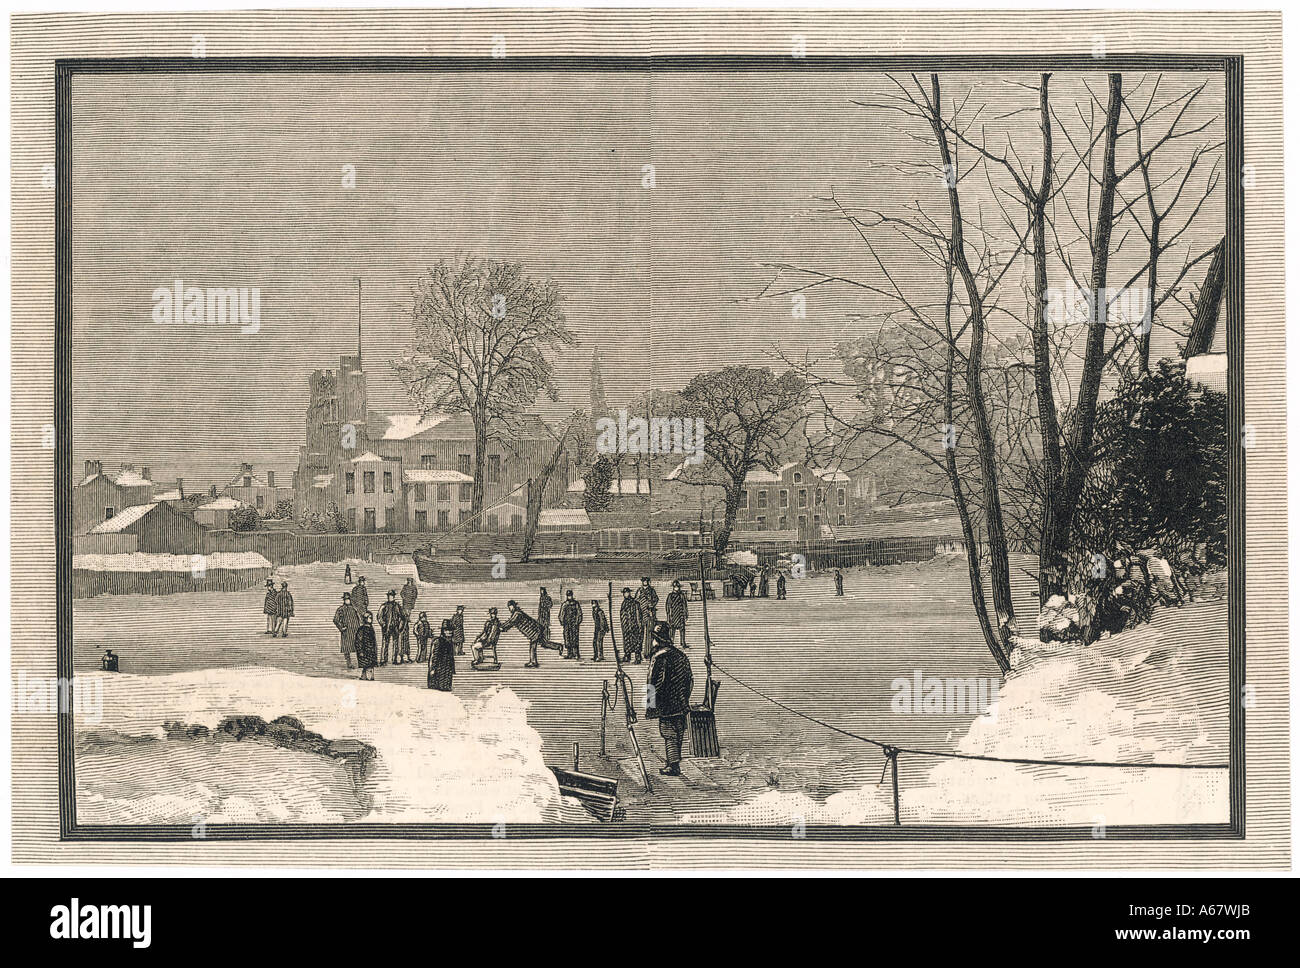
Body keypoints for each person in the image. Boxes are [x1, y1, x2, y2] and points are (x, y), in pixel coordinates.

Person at [646, 620, 693, 777]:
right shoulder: (681, 655)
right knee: (678, 732)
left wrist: (649, 706)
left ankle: (673, 766)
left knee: (668, 733)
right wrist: (685, 698)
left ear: (658, 640)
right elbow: (690, 680)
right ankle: (674, 763)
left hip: (665, 704)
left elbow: (651, 683)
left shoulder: (657, 657)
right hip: (680, 702)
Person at [500, 600, 550, 669]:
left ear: (514, 606)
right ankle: (559, 647)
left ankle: (533, 662)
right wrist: (502, 627)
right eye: (509, 608)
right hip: (536, 630)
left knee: (533, 646)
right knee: (545, 644)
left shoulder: (517, 614)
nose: (510, 609)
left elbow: (511, 622)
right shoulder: (516, 613)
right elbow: (510, 622)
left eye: (511, 607)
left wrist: (502, 627)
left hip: (534, 631)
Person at [333, 593, 361, 670]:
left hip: (355, 631)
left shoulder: (354, 608)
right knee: (346, 648)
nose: (347, 601)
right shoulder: (341, 609)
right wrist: (341, 628)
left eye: (348, 599)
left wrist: (359, 628)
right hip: (346, 632)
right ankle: (349, 664)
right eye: (346, 599)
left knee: (358, 646)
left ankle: (360, 662)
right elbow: (336, 620)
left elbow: (358, 619)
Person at [428, 618, 456, 692]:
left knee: (446, 688)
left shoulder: (450, 642)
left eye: (451, 630)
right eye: (447, 630)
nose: (449, 632)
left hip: (447, 671)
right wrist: (432, 669)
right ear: (443, 631)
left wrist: (452, 668)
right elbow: (433, 656)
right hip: (438, 671)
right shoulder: (438, 641)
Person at [635, 577, 659, 658]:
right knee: (639, 634)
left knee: (649, 634)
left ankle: (648, 653)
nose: (645, 582)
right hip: (641, 615)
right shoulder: (639, 591)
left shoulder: (652, 590)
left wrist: (651, 605)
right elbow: (636, 600)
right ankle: (638, 653)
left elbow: (656, 599)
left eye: (646, 581)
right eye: (644, 581)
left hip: (650, 614)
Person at [378, 590, 405, 665]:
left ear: (394, 597)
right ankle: (383, 660)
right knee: (385, 643)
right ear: (388, 597)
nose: (391, 597)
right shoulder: (384, 606)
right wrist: (383, 624)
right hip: (386, 627)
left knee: (395, 643)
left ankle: (394, 659)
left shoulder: (397, 606)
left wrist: (400, 627)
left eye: (392, 596)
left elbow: (402, 617)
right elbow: (379, 616)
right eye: (389, 596)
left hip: (395, 627)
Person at [619, 587, 643, 663]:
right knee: (627, 641)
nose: (626, 594)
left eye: (627, 593)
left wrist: (639, 625)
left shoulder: (635, 603)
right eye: (624, 593)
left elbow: (639, 615)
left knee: (636, 642)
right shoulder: (624, 603)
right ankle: (627, 656)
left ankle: (638, 658)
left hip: (634, 626)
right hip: (626, 626)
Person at [558, 589, 584, 660]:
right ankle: (569, 653)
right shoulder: (565, 604)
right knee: (567, 639)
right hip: (567, 625)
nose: (569, 597)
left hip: (574, 625)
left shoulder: (576, 604)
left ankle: (576, 654)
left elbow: (579, 614)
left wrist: (577, 622)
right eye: (568, 596)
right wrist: (562, 622)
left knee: (575, 639)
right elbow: (561, 614)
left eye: (570, 596)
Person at [665, 579, 689, 648]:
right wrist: (668, 615)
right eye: (675, 587)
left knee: (682, 629)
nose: (676, 588)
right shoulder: (670, 595)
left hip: (680, 615)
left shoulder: (682, 595)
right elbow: (668, 606)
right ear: (673, 587)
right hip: (673, 615)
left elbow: (685, 605)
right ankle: (671, 643)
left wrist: (686, 614)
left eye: (677, 587)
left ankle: (683, 643)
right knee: (672, 630)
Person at [355, 612, 378, 680]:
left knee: (369, 665)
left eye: (371, 618)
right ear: (365, 619)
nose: (371, 619)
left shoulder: (371, 628)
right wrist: (360, 651)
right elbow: (358, 641)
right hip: (365, 652)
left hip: (371, 651)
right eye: (369, 618)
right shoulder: (361, 629)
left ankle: (364, 677)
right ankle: (369, 678)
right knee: (368, 665)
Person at [400, 577, 419, 658]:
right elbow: (401, 593)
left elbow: (415, 594)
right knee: (406, 610)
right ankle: (406, 617)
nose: (409, 582)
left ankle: (408, 617)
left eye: (410, 581)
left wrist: (413, 598)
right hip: (406, 602)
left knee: (409, 610)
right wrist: (404, 597)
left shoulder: (413, 587)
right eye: (408, 581)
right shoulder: (405, 587)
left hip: (410, 602)